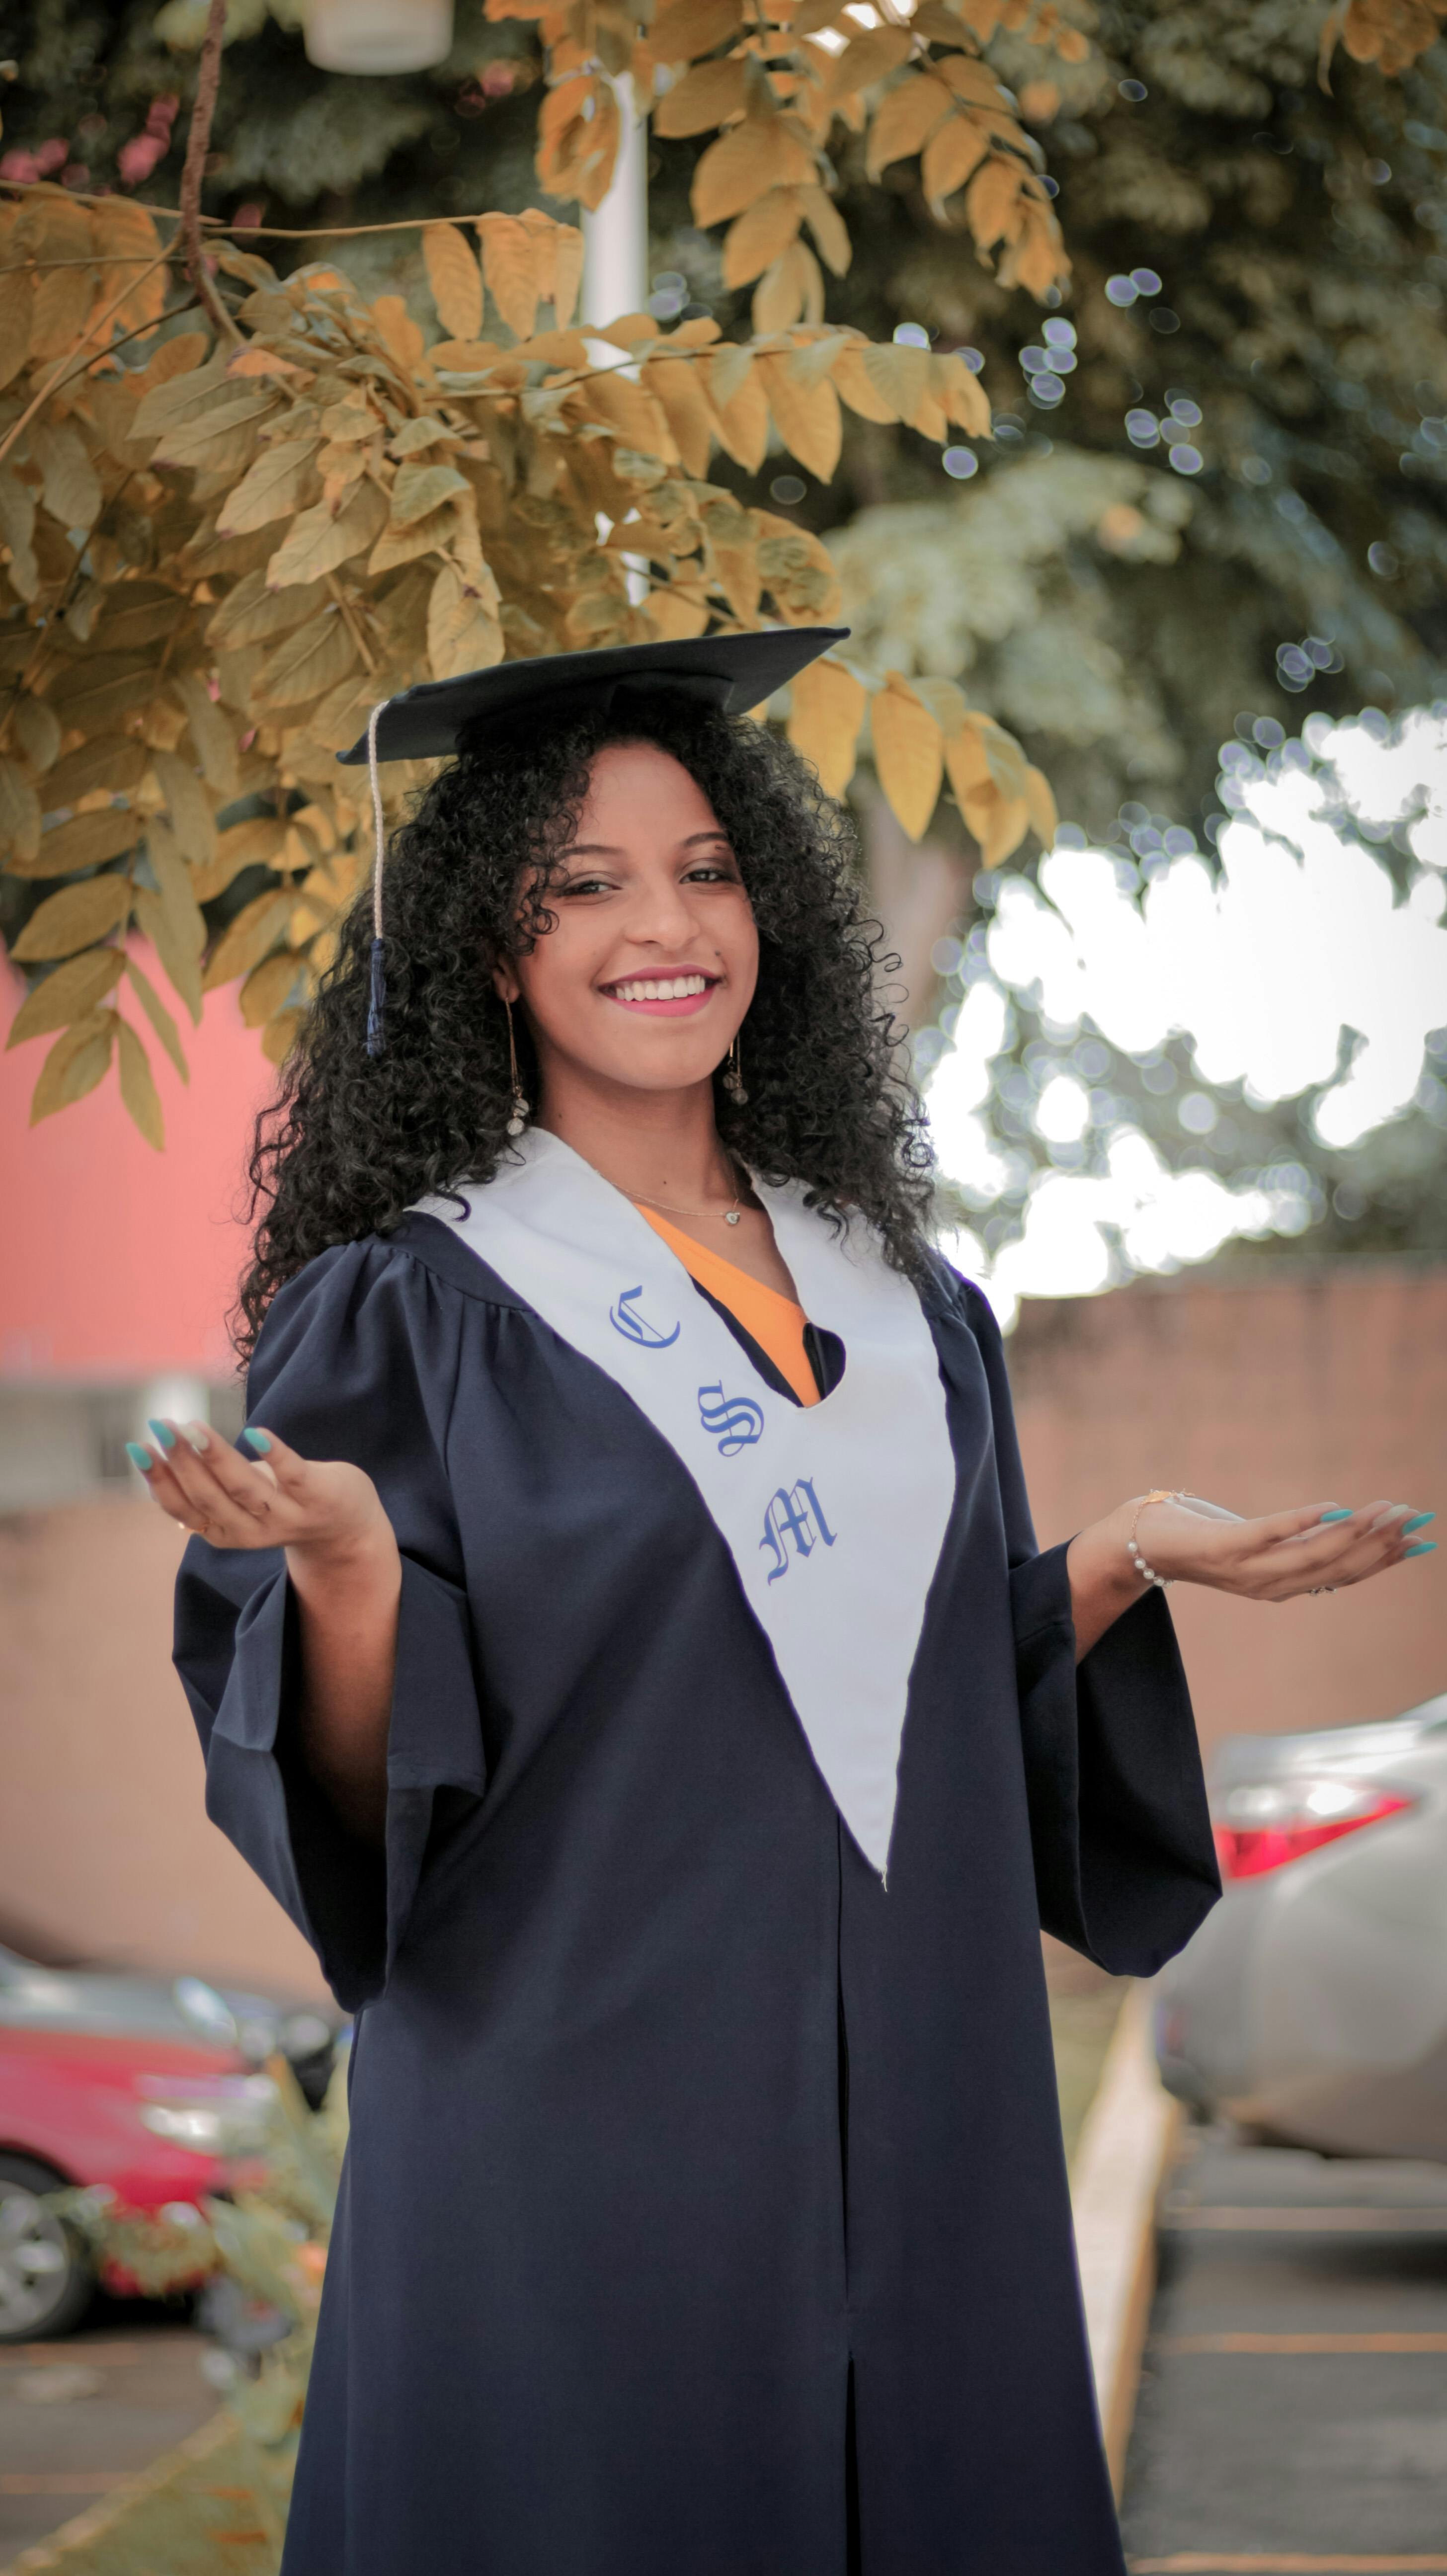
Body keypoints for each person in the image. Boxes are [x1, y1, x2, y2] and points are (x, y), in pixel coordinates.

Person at [131, 630, 1433, 2576]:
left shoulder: (909, 1314)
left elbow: (908, 1717)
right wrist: (350, 1573)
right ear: (495, 949)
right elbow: (356, 1814)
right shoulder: (416, 1314)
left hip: (919, 2124)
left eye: (704, 868)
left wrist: (1109, 1555)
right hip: (575, 2140)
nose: (664, 924)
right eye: (583, 884)